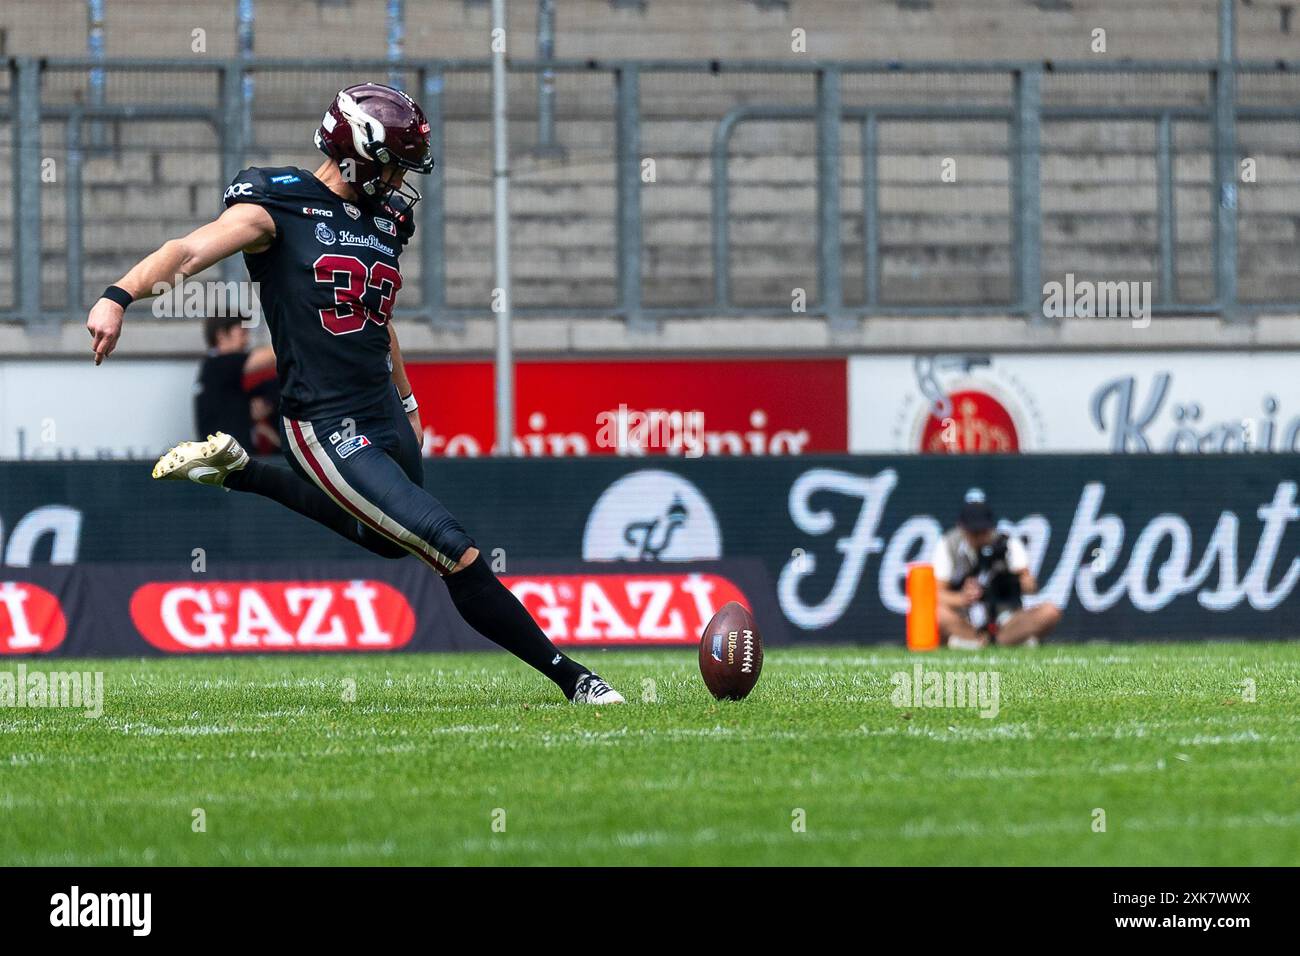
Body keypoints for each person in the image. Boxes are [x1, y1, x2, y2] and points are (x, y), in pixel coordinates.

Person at [84, 83, 623, 704]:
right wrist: (119, 294)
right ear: (356, 156)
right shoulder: (274, 206)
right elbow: (189, 250)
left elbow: (377, 317)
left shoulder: (387, 218)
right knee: (450, 544)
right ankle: (575, 680)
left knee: (390, 543)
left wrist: (410, 400)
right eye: (392, 163)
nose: (398, 179)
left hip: (383, 407)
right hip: (323, 418)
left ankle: (242, 472)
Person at [932, 492, 1062, 649]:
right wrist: (962, 598)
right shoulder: (948, 544)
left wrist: (1009, 582)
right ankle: (992, 642)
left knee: (1050, 611)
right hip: (966, 619)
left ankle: (981, 643)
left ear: (991, 527)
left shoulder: (1007, 544)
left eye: (983, 531)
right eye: (974, 533)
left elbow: (1031, 586)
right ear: (962, 529)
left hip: (1005, 619)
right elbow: (935, 593)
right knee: (934, 613)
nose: (979, 537)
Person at [195, 314, 279, 455]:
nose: (246, 340)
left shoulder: (212, 373)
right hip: (231, 460)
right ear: (222, 335)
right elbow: (272, 356)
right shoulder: (220, 364)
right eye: (242, 333)